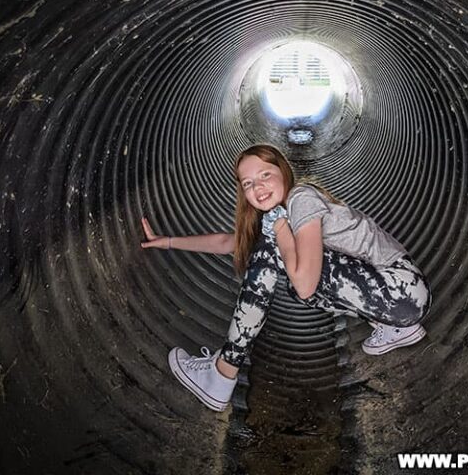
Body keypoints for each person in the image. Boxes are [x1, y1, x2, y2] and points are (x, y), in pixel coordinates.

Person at [140, 144, 431, 411]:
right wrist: (166, 241)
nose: (258, 186)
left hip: (401, 287)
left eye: (265, 174)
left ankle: (223, 371)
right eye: (248, 183)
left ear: (284, 172)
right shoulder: (279, 214)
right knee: (279, 258)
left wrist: (280, 229)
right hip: (401, 299)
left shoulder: (301, 199)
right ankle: (395, 326)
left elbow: (306, 286)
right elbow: (228, 243)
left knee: (285, 266)